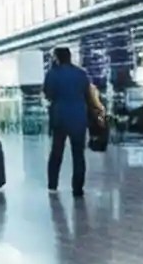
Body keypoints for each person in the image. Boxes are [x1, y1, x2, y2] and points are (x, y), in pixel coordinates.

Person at [42, 47, 104, 197]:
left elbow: (48, 94)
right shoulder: (81, 74)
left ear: (57, 58)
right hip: (78, 117)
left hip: (60, 117)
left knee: (56, 152)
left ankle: (52, 184)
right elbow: (88, 94)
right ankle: (77, 188)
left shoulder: (53, 73)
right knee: (78, 154)